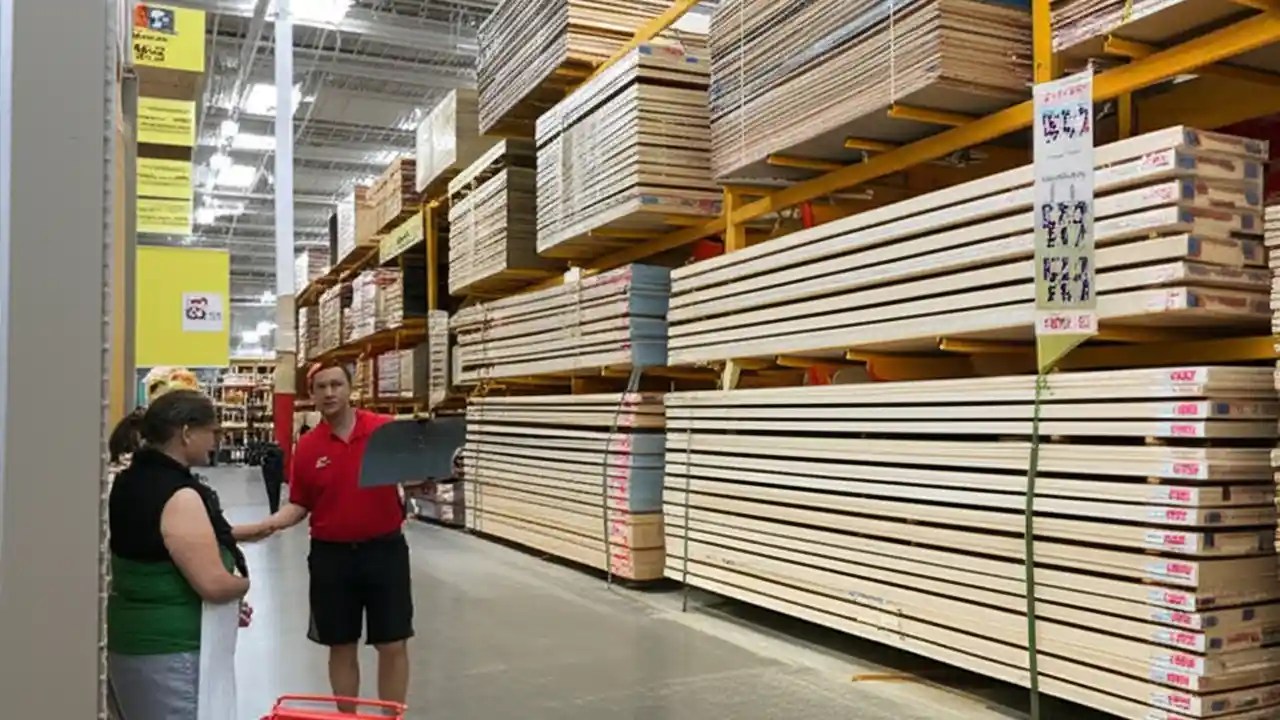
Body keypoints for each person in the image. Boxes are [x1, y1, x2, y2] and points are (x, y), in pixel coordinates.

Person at [106, 389, 274, 720]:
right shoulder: (178, 494)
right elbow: (212, 584)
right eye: (212, 432)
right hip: (169, 652)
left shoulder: (131, 480)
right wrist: (242, 585)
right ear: (186, 432)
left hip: (135, 643)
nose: (217, 441)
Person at [265, 362, 414, 713]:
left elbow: (415, 472)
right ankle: (347, 718)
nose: (329, 393)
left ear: (350, 388)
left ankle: (391, 716)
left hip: (384, 552)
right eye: (321, 387)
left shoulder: (384, 430)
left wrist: (437, 471)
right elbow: (300, 503)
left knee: (393, 644)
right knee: (341, 645)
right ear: (312, 395)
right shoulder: (308, 447)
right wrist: (268, 525)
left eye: (336, 384)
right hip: (331, 558)